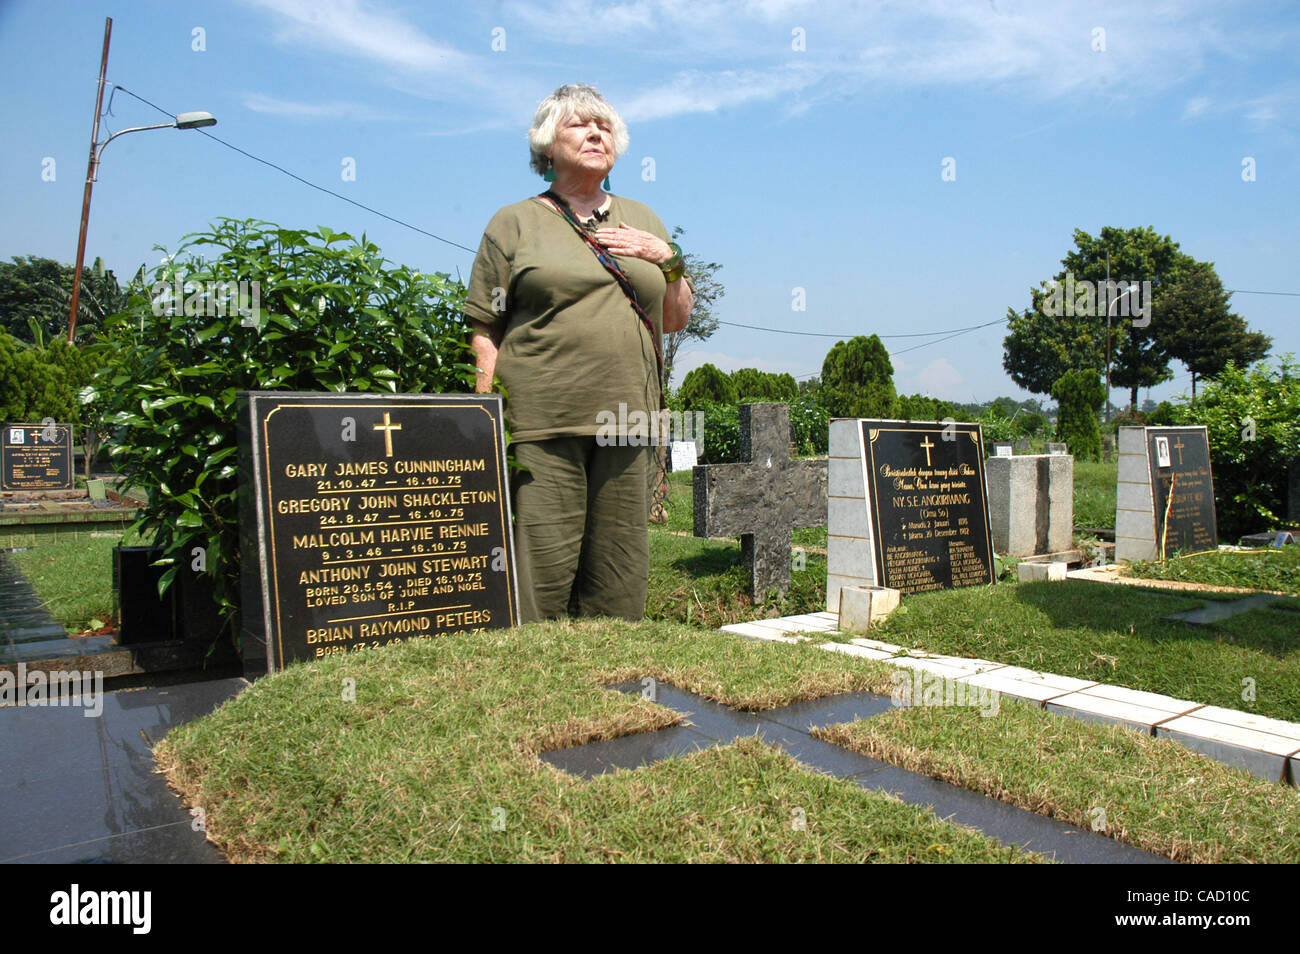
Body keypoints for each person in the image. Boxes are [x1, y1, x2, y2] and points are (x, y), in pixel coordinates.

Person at [463, 83, 693, 623]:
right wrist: (484, 411)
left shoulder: (644, 218)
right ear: (547, 146)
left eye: (605, 126)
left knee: (618, 572)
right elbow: (484, 328)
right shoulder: (514, 222)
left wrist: (669, 259)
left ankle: (613, 690)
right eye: (579, 125)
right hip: (542, 420)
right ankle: (531, 690)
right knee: (537, 572)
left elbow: (675, 317)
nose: (596, 134)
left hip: (628, 423)